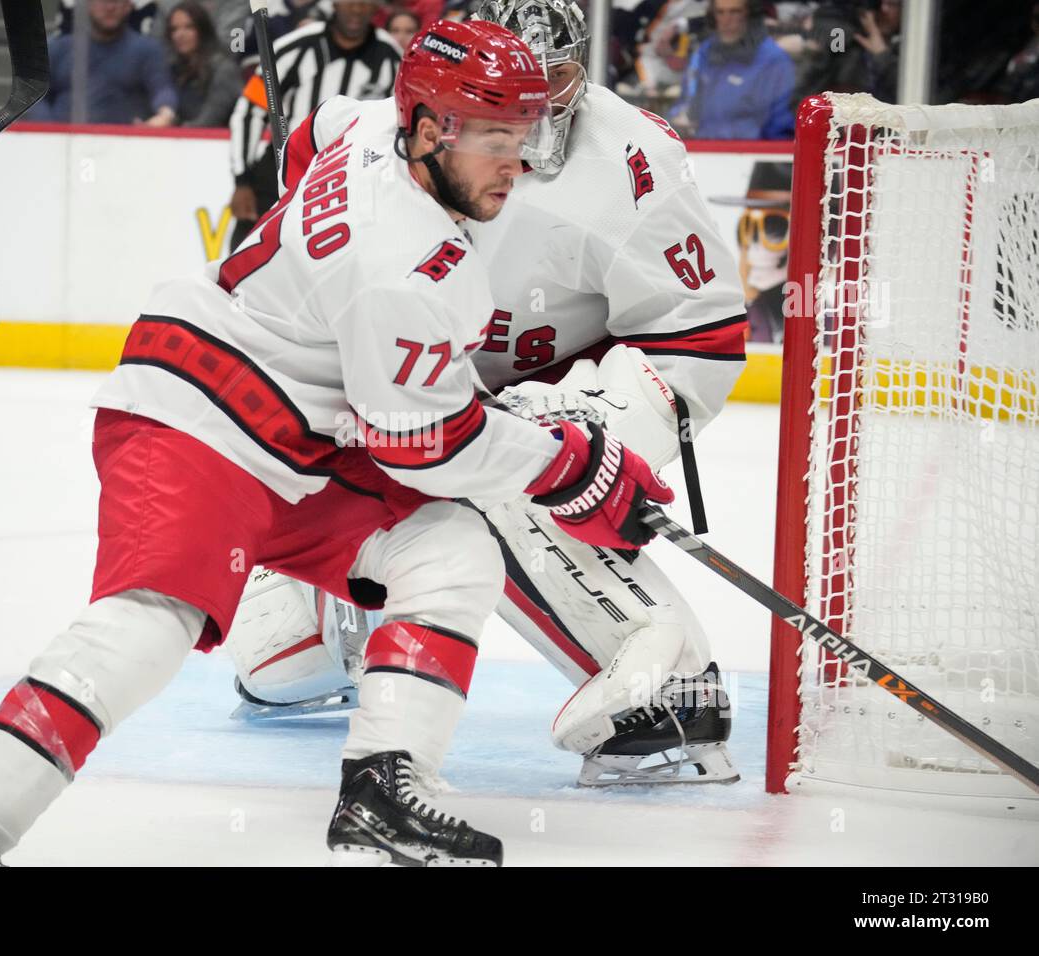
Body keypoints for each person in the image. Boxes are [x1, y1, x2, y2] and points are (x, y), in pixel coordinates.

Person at [0, 19, 676, 868]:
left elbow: (311, 133)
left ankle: (384, 791)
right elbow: (425, 445)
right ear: (431, 129)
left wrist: (313, 274)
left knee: (449, 551)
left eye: (522, 137)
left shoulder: (375, 125)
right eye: (494, 138)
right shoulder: (404, 266)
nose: (514, 164)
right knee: (150, 627)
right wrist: (572, 468)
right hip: (197, 415)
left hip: (298, 435)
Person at [225, 0, 748, 789]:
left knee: (492, 466)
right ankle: (340, 617)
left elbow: (702, 334)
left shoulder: (637, 164)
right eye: (500, 109)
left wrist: (596, 435)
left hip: (570, 386)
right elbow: (310, 152)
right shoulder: (381, 130)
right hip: (426, 385)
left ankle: (668, 683)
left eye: (553, 87)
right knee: (279, 664)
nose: (528, 130)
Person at [227, 0, 400, 251]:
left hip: (352, 175)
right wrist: (242, 180)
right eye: (350, 1)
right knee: (247, 250)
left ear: (376, 8)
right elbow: (249, 111)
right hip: (285, 163)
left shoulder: (390, 57)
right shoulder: (296, 47)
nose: (356, 8)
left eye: (365, 2)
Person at [34, 0, 179, 126]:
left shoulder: (148, 50)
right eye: (103, 1)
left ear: (129, 6)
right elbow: (35, 94)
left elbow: (161, 88)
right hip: (63, 146)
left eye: (117, 1)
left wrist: (165, 114)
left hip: (126, 145)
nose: (110, 8)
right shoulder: (57, 48)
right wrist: (50, 130)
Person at [669, 0, 794, 139]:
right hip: (703, 149)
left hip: (751, 152)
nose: (726, 20)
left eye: (735, 12)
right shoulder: (704, 52)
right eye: (720, 12)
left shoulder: (773, 60)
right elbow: (685, 101)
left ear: (750, 15)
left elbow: (781, 126)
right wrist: (678, 116)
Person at [167, 0, 243, 126]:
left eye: (189, 27)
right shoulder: (175, 70)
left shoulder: (224, 70)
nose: (180, 34)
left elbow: (209, 122)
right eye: (174, 29)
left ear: (203, 30)